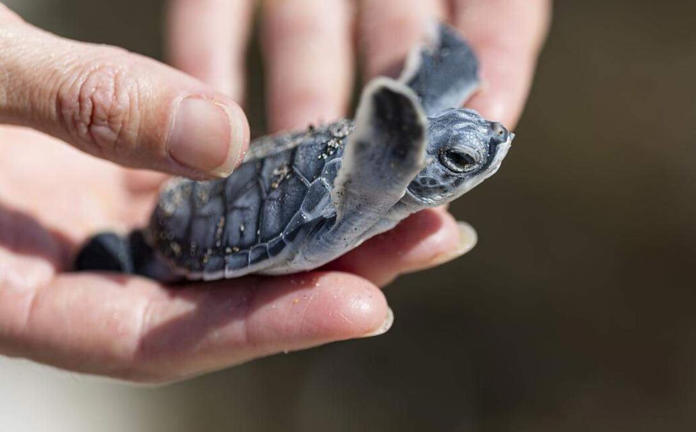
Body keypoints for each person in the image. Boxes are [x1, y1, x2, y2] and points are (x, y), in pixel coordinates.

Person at [0, 0, 550, 382]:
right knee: (114, 260)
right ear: (399, 166)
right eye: (459, 162)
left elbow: (406, 128)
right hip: (189, 230)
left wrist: (448, 74)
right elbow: (398, 138)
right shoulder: (374, 189)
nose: (495, 146)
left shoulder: (383, 175)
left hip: (224, 187)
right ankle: (106, 254)